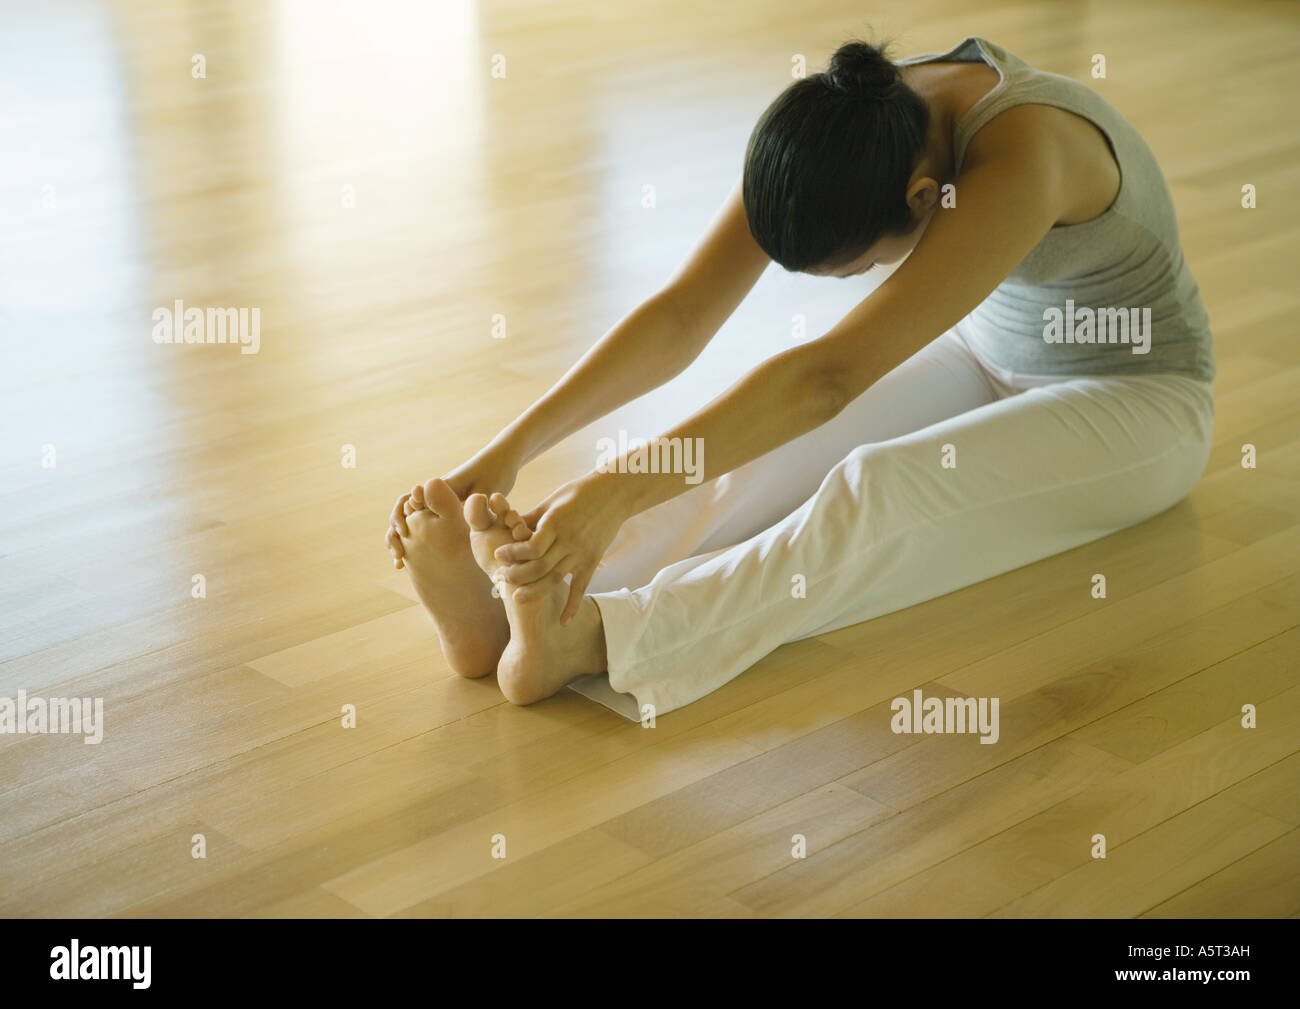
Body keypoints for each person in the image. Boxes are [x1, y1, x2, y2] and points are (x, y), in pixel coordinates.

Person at [385, 35, 1215, 720]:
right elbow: (683, 313)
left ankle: (600, 637)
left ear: (927, 198)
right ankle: (516, 612)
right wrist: (510, 450)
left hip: (1140, 400)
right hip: (983, 354)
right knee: (756, 455)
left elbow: (829, 376)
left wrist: (613, 487)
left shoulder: (1027, 151)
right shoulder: (839, 129)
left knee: (881, 488)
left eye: (845, 271)